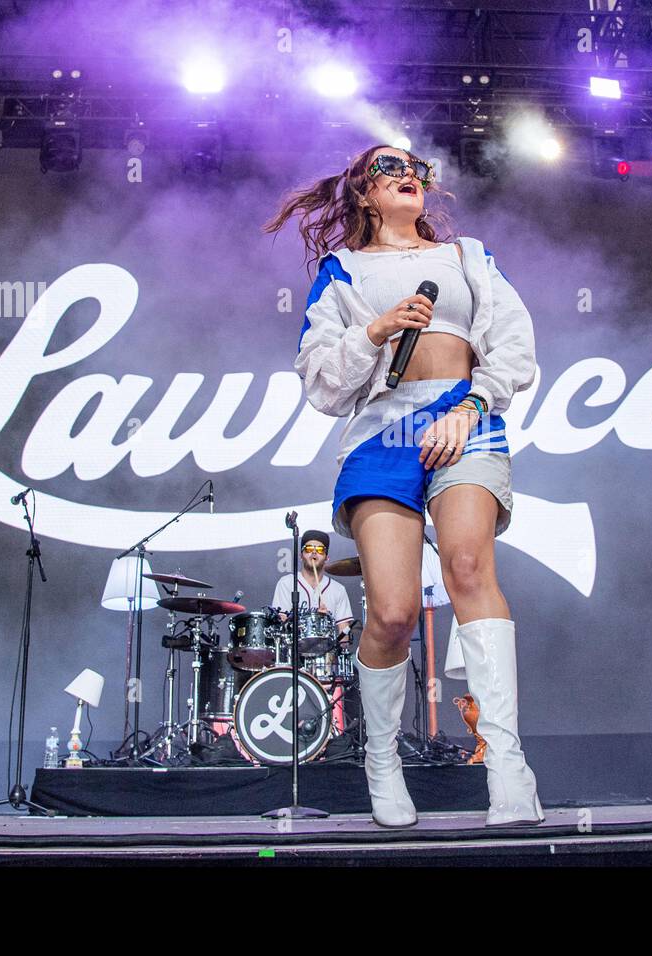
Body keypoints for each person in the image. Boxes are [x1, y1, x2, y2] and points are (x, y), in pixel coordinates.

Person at [265, 144, 544, 827]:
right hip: (380, 435)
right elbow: (321, 382)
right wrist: (377, 329)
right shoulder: (343, 272)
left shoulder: (467, 257)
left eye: (415, 168)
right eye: (389, 169)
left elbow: (515, 343)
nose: (407, 176)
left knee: (468, 567)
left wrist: (471, 405)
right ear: (364, 193)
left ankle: (507, 764)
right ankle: (382, 759)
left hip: (463, 416)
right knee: (391, 614)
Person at [270, 529, 353, 636]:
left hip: (326, 646)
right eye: (308, 549)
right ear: (301, 556)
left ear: (327, 558)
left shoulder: (338, 589)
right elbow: (280, 624)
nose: (314, 552)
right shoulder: (287, 583)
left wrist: (326, 620)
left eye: (320, 550)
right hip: (294, 646)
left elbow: (344, 633)